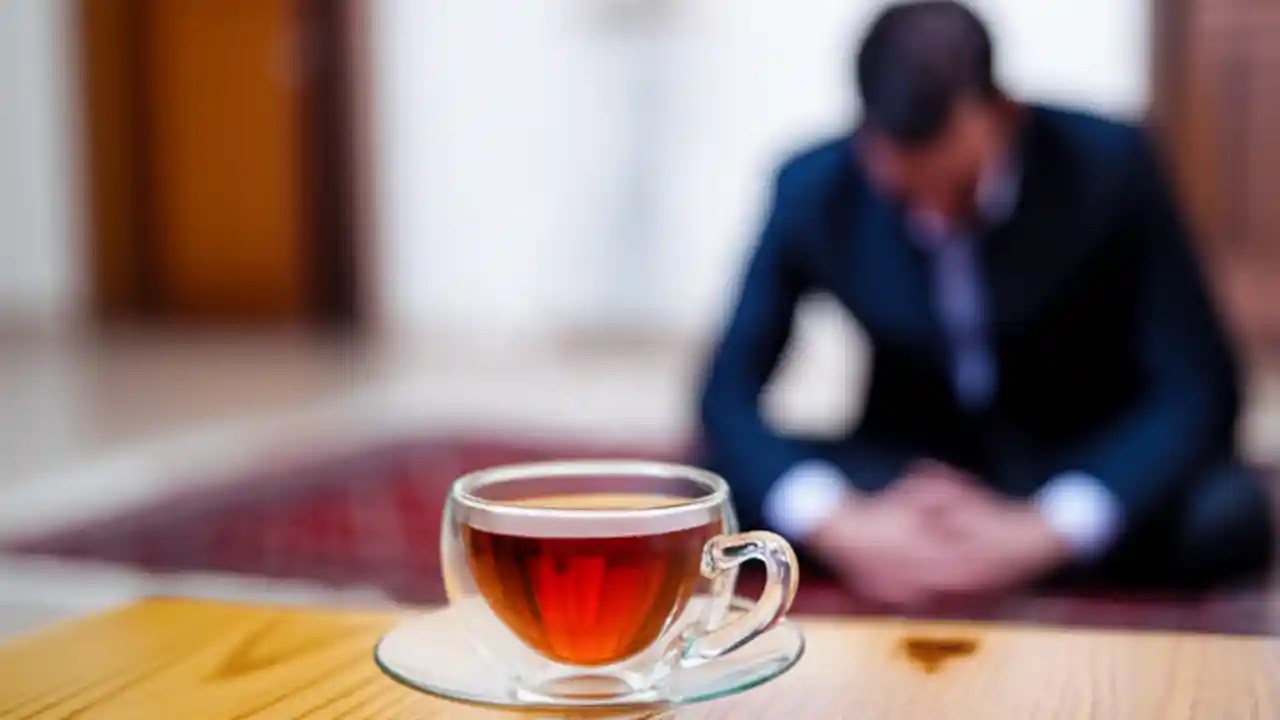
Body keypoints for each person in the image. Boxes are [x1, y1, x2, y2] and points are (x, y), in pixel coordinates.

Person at [699, 1, 1273, 606]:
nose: (932, 210)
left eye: (956, 183)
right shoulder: (814, 187)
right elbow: (727, 392)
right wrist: (844, 525)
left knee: (1225, 514)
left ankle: (979, 562)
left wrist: (1046, 530)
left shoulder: (1111, 165)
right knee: (714, 484)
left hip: (1070, 457)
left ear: (1005, 113)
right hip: (899, 477)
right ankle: (935, 556)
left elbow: (1197, 386)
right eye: (905, 189)